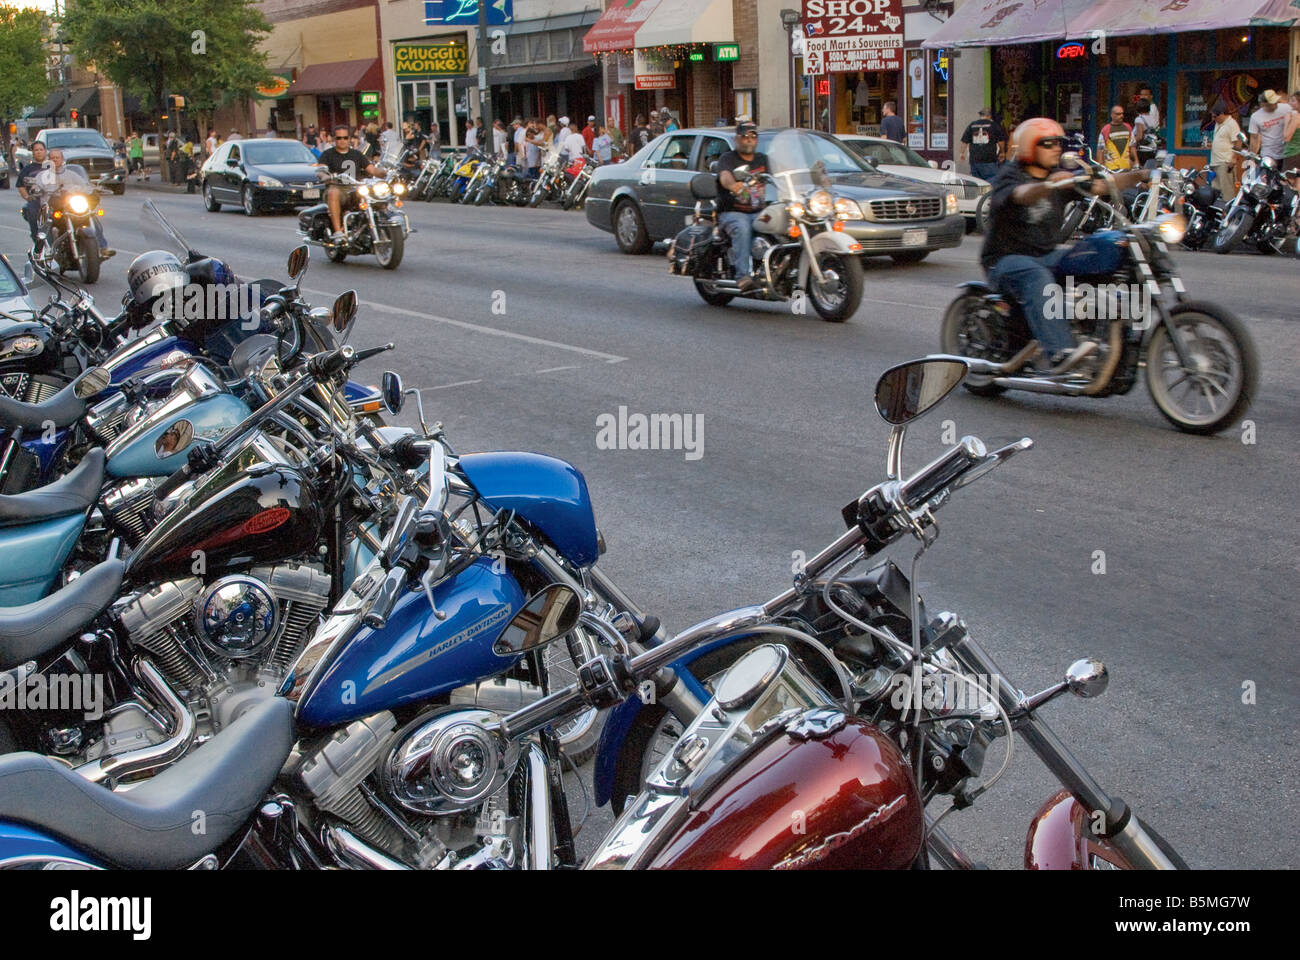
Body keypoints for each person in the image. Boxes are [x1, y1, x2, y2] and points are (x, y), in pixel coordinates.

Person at [981, 118, 1150, 376]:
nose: (1057, 148)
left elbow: (1103, 185)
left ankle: (1114, 338)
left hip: (1046, 255)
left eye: (1059, 143)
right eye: (1048, 144)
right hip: (1005, 260)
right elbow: (1020, 195)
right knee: (1037, 276)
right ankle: (1060, 352)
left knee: (1102, 256)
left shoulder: (1060, 175)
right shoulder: (1010, 176)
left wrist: (1140, 175)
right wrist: (1049, 185)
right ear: (1029, 147)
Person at [716, 121, 770, 291]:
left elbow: (780, 176)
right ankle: (743, 276)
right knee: (743, 227)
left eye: (753, 136)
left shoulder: (763, 159)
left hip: (759, 210)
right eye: (745, 136)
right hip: (733, 211)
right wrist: (733, 185)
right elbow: (725, 176)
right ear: (736, 139)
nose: (749, 140)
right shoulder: (728, 158)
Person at [37, 148, 115, 259]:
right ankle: (48, 251)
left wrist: (95, 189)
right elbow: (36, 186)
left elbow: (85, 184)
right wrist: (35, 189)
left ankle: (103, 247)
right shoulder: (43, 176)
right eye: (52, 158)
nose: (55, 160)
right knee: (48, 223)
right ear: (49, 160)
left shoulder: (71, 174)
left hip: (71, 207)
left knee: (91, 216)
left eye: (57, 157)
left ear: (62, 159)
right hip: (54, 208)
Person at [317, 124, 382, 243]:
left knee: (379, 193)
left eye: (345, 138)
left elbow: (372, 170)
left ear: (350, 139)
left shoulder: (357, 154)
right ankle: (338, 232)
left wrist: (384, 172)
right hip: (338, 188)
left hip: (356, 189)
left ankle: (383, 224)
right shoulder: (327, 154)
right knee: (333, 192)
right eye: (339, 138)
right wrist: (325, 176)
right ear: (333, 139)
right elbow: (321, 170)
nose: (342, 141)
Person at [959, 107, 1005, 182]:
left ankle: (980, 194)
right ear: (990, 115)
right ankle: (988, 193)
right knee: (993, 179)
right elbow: (1000, 141)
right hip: (989, 159)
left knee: (977, 182)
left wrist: (962, 153)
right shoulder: (994, 125)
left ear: (980, 115)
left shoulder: (972, 125)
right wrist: (1002, 152)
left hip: (974, 160)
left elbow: (964, 141)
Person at [17, 140, 48, 249]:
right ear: (33, 153)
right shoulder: (28, 169)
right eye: (36, 150)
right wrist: (27, 197)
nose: (39, 152)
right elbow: (20, 186)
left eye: (41, 149)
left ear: (45, 151)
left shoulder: (53, 166)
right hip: (37, 200)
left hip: (54, 199)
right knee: (31, 209)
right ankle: (38, 241)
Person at [1248, 90, 1293, 162]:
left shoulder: (1286, 108)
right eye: (1272, 103)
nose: (1275, 104)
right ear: (1263, 104)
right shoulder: (1255, 117)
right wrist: (1252, 157)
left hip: (1286, 153)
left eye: (1276, 101)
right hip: (1268, 155)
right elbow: (1254, 139)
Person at [1210, 106, 1242, 199]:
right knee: (1215, 190)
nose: (1213, 119)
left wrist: (1234, 158)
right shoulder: (1218, 123)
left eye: (1215, 116)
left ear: (1223, 114)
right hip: (1215, 162)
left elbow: (1238, 141)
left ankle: (1226, 211)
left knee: (1226, 191)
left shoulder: (1231, 124)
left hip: (1225, 162)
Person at [1097, 105, 1135, 171]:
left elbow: (1132, 146)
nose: (1121, 116)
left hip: (1126, 167)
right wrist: (1101, 167)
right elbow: (1100, 150)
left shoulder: (1128, 127)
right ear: (1112, 115)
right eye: (1118, 114)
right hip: (1111, 168)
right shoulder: (1106, 130)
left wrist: (1136, 162)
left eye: (1122, 113)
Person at [1282, 92, 1300, 172]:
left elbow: (1286, 138)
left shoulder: (1296, 118)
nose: (1290, 103)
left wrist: (1287, 121)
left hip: (1293, 152)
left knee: (1286, 182)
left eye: (1293, 101)